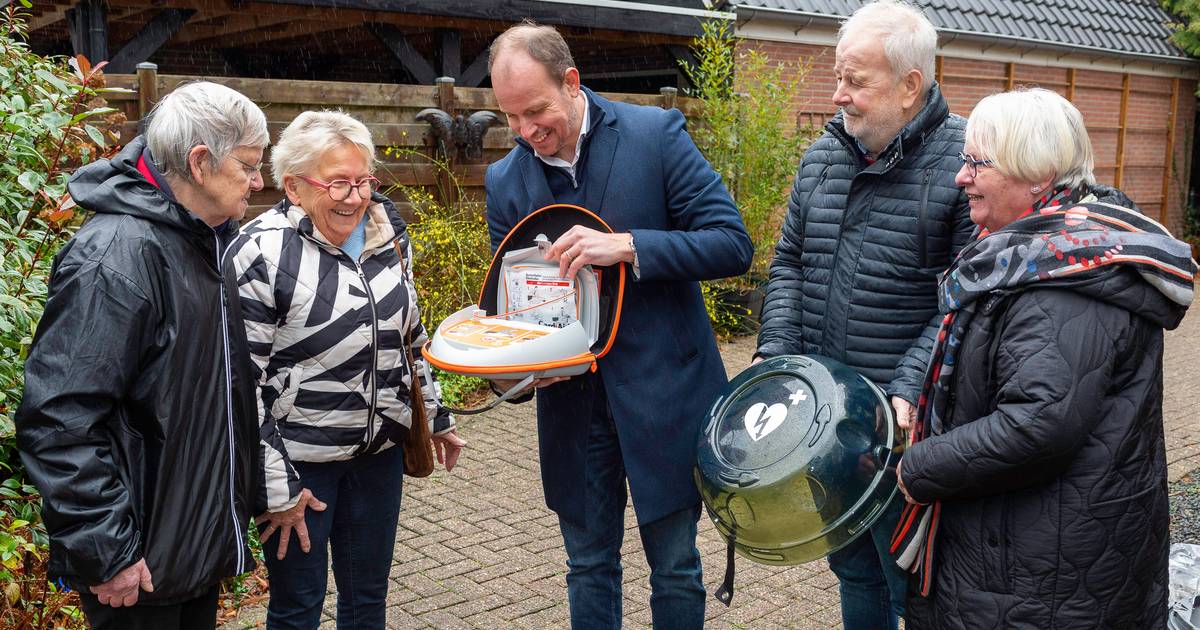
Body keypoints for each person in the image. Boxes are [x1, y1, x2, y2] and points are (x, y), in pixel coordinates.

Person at [893, 87, 1196, 629]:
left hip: (1039, 573)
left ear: (1038, 176)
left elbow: (1036, 424)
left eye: (977, 163)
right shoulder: (1041, 256)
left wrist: (919, 467)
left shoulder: (1061, 282)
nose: (960, 177)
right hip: (1040, 552)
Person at [484, 21, 753, 629]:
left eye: (536, 111)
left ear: (571, 82)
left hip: (664, 393)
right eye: (511, 117)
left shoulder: (655, 135)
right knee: (587, 566)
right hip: (572, 409)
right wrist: (520, 369)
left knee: (676, 568)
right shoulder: (505, 179)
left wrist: (629, 246)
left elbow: (732, 243)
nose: (526, 132)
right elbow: (511, 306)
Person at [14, 82, 268, 629]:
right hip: (138, 566)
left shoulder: (204, 241)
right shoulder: (116, 258)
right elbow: (59, 419)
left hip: (186, 549)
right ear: (199, 163)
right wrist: (106, 551)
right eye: (249, 165)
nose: (258, 181)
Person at [754, 2, 972, 627]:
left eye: (856, 81)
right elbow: (790, 262)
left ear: (910, 85)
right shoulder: (823, 157)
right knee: (852, 568)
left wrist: (908, 384)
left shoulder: (963, 165)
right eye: (838, 77)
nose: (838, 95)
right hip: (829, 421)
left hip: (906, 428)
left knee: (912, 583)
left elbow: (964, 296)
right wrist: (776, 354)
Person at [227, 110, 466, 630]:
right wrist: (277, 490)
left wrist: (437, 416)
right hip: (300, 464)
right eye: (338, 183)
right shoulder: (260, 251)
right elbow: (241, 384)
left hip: (377, 456)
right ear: (293, 186)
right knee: (297, 608)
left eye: (363, 181)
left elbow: (410, 338)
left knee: (367, 602)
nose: (355, 198)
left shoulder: (388, 234)